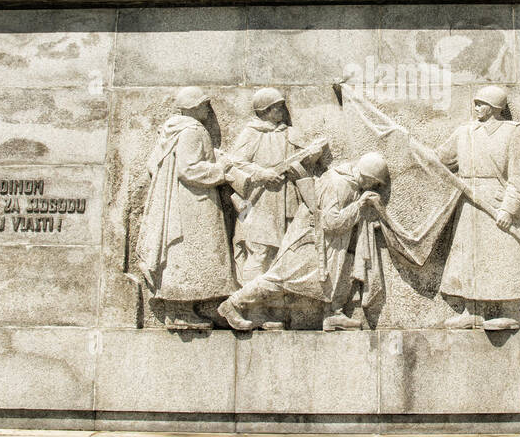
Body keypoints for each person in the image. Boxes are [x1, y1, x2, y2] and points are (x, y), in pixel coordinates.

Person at [217, 152, 391, 332]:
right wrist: (359, 205)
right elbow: (331, 222)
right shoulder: (340, 184)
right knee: (278, 280)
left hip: (325, 245)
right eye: (375, 183)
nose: (376, 187)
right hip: (309, 242)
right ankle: (233, 304)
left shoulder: (349, 183)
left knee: (344, 267)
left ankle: (333, 314)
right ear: (366, 176)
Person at [131, 87, 235, 329]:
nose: (207, 110)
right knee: (190, 253)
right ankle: (180, 311)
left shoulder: (173, 130)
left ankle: (183, 309)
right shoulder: (191, 131)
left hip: (187, 200)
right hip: (192, 204)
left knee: (188, 252)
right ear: (192, 107)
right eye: (203, 105)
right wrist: (222, 171)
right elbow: (188, 169)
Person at [436, 85, 520, 330]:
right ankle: (472, 309)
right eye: (476, 103)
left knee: (504, 254)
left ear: (493, 108)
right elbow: (440, 160)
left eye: (481, 104)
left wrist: (510, 209)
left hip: (498, 200)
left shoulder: (513, 132)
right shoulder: (465, 132)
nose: (476, 108)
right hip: (470, 201)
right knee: (469, 254)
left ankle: (511, 311)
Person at [224, 87, 326, 284]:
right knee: (260, 251)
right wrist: (262, 173)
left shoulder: (289, 133)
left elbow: (304, 162)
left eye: (281, 107)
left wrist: (311, 155)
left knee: (286, 252)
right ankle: (250, 305)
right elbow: (234, 163)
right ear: (264, 111)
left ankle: (276, 304)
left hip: (287, 200)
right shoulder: (251, 133)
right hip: (259, 201)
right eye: (276, 108)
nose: (282, 111)